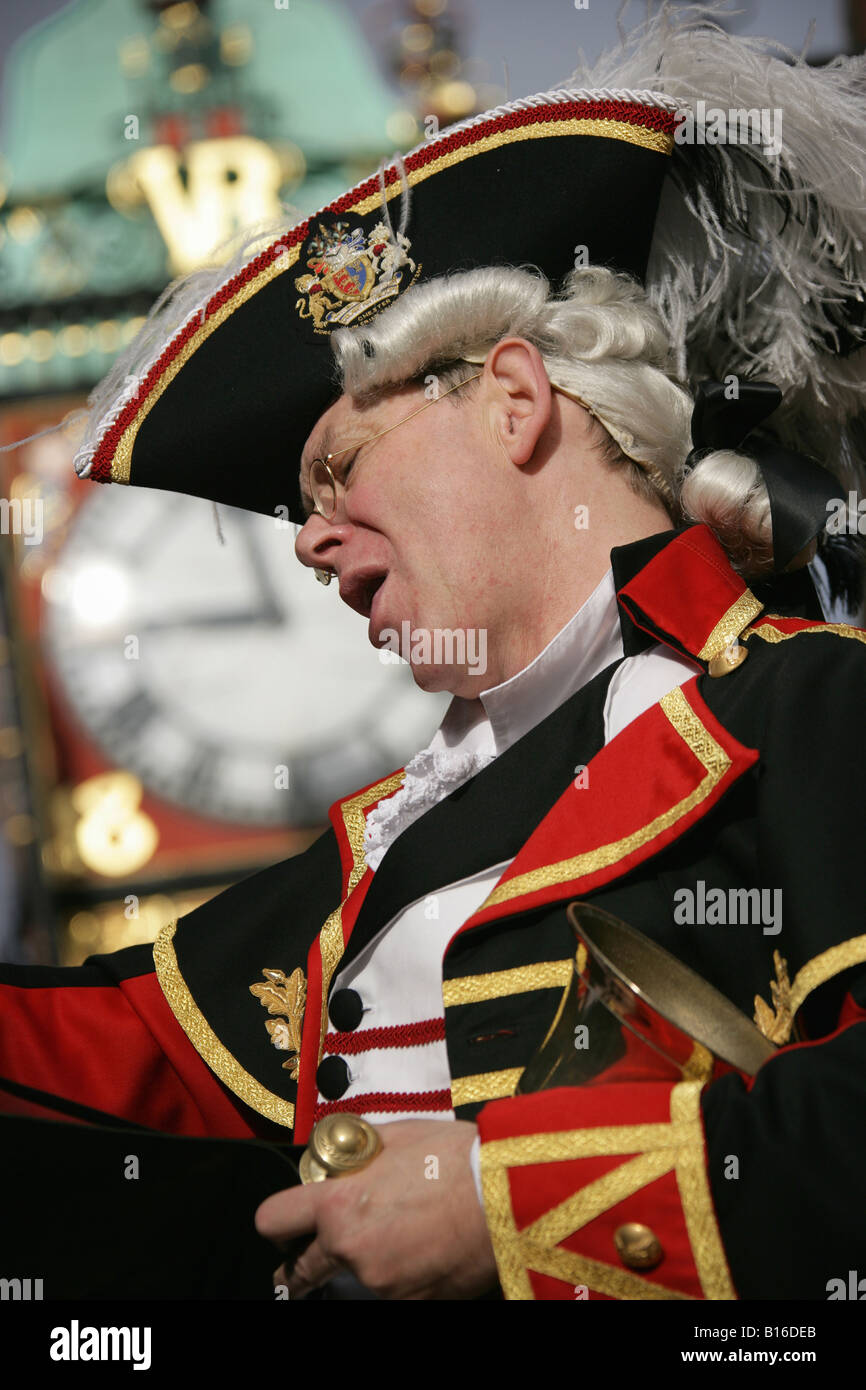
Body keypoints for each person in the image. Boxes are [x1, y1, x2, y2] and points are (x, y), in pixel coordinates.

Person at [2, 8, 865, 1301]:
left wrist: (503, 1206)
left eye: (336, 470)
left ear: (513, 402)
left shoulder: (809, 708)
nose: (306, 545)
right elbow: (108, 1055)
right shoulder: (374, 850)